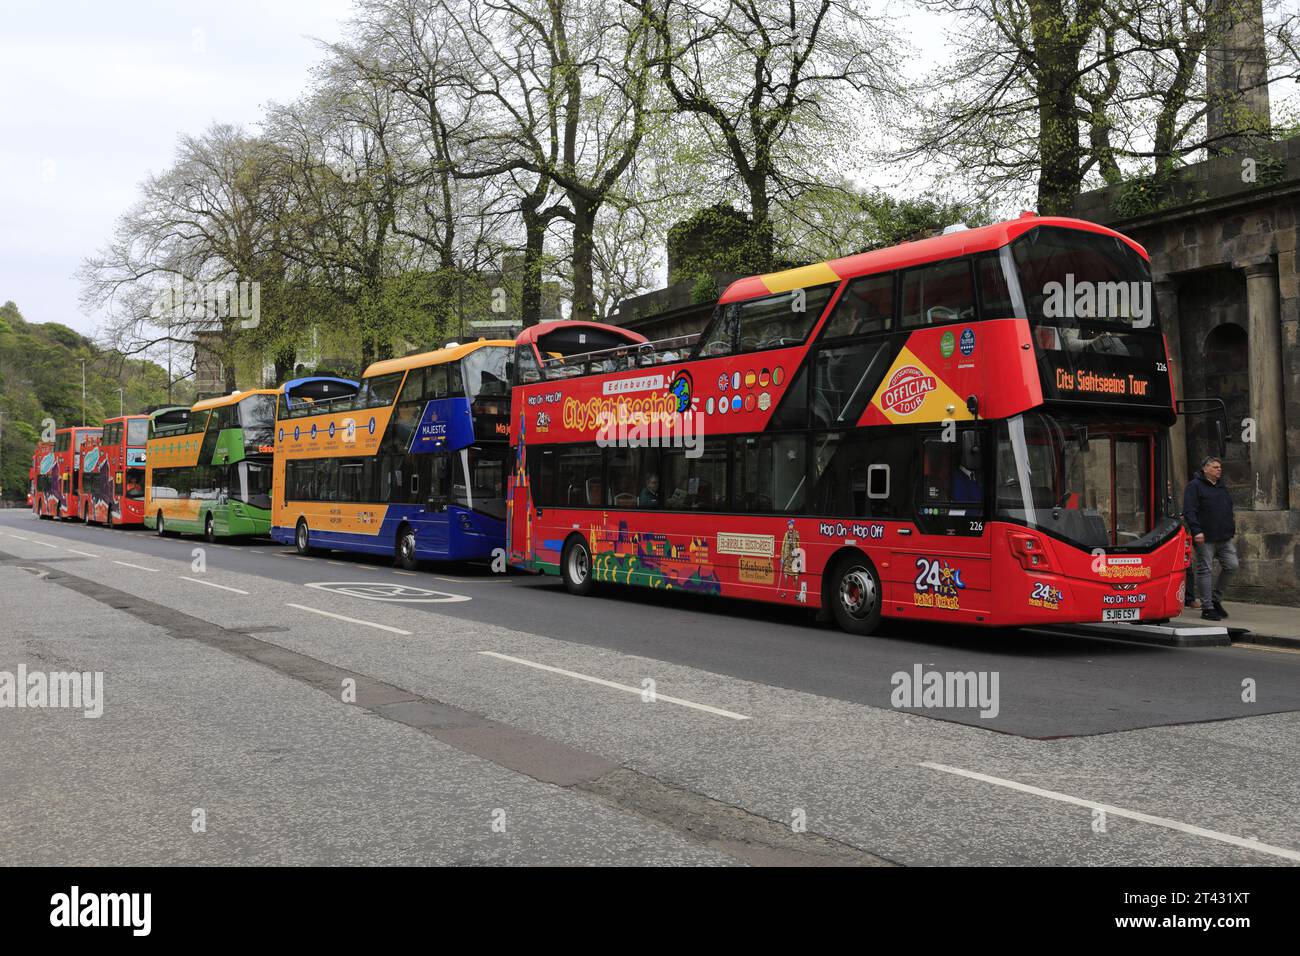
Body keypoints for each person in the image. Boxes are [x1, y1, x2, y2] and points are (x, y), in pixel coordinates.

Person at [1182, 456, 1237, 621]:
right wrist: (1196, 530)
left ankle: (1215, 599)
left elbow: (1228, 507)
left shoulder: (1221, 486)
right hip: (1205, 537)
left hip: (1224, 537)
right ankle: (1207, 608)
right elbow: (1189, 510)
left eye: (1220, 467)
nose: (1219, 469)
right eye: (1215, 467)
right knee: (1205, 570)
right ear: (1205, 469)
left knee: (1232, 565)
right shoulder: (1194, 486)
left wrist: (1230, 527)